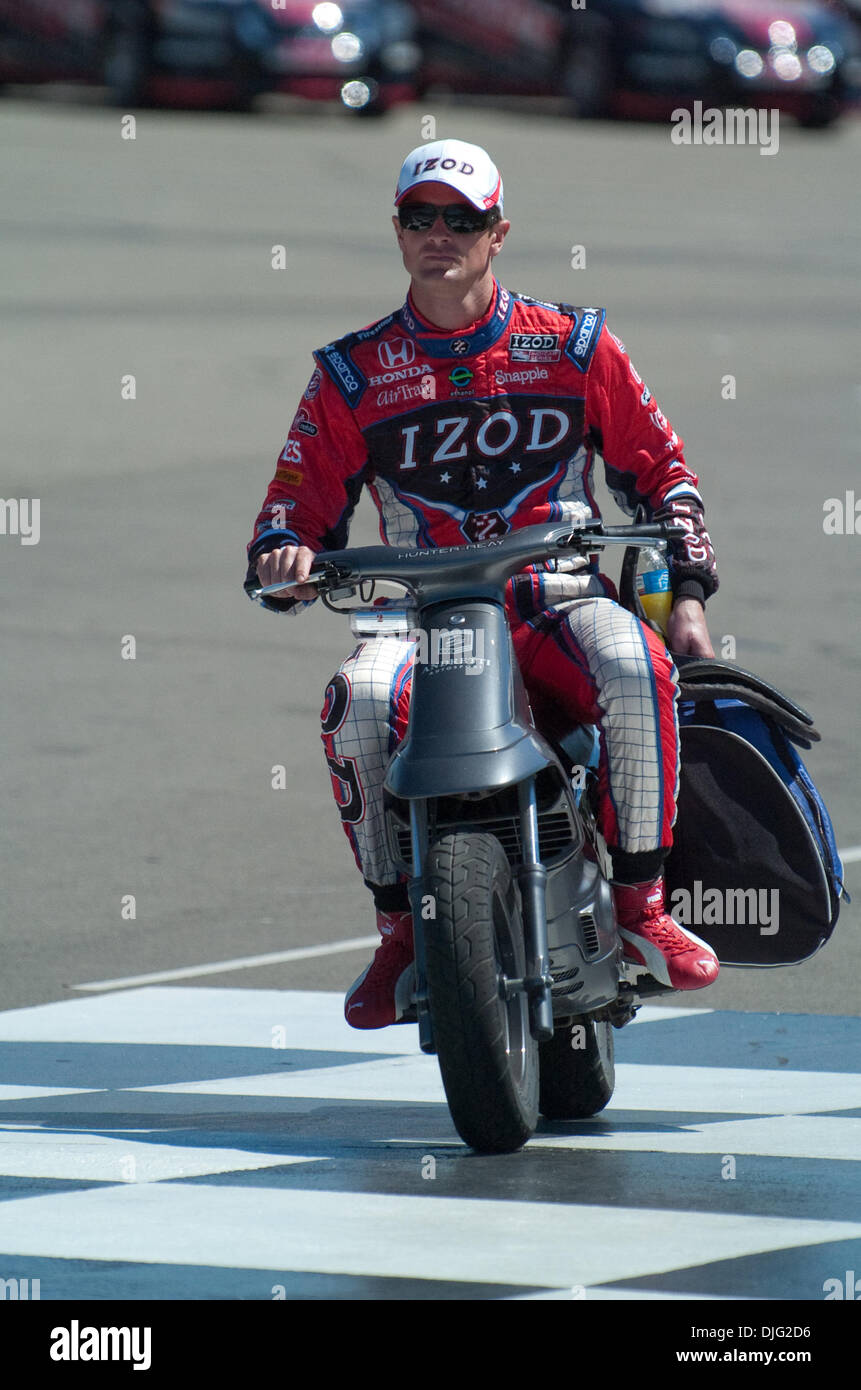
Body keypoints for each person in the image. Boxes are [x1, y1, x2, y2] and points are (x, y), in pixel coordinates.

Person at [245, 138, 721, 1029]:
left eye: (460, 219)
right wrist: (283, 559)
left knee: (635, 666)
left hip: (556, 597)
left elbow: (664, 472)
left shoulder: (576, 344)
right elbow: (289, 510)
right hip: (412, 619)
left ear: (497, 232)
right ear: (396, 230)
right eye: (421, 217)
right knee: (353, 701)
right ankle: (400, 931)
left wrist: (685, 591)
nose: (440, 234)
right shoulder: (350, 374)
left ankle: (641, 906)